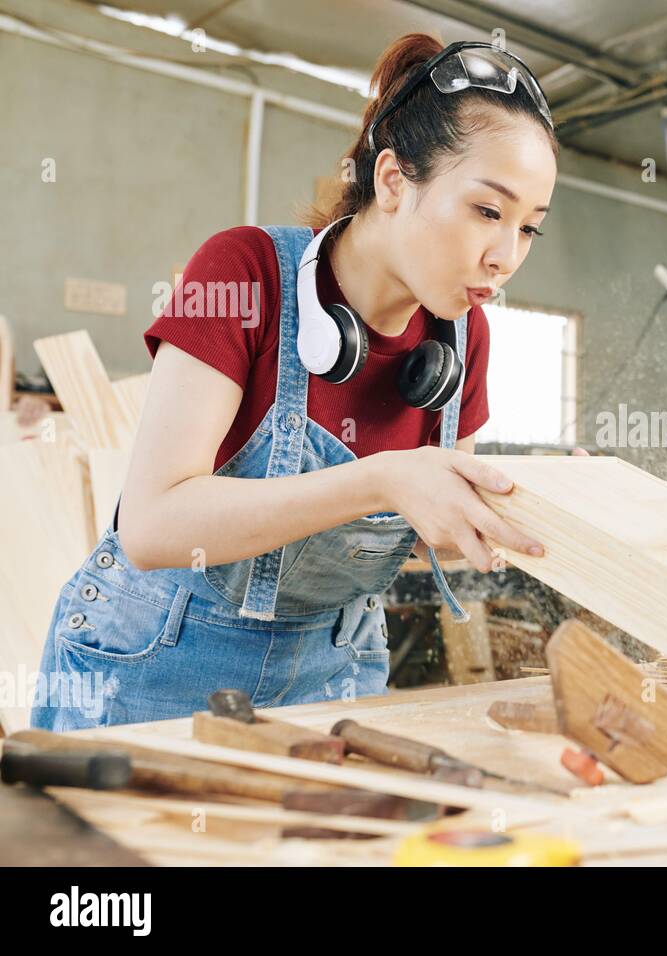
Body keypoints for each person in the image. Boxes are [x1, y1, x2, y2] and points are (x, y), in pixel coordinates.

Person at [31, 35, 559, 730]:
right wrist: (381, 480)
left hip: (332, 673)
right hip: (153, 665)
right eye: (488, 212)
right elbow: (154, 525)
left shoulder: (464, 333)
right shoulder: (243, 271)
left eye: (530, 229)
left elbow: (452, 526)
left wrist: (559, 505)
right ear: (395, 181)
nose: (505, 257)